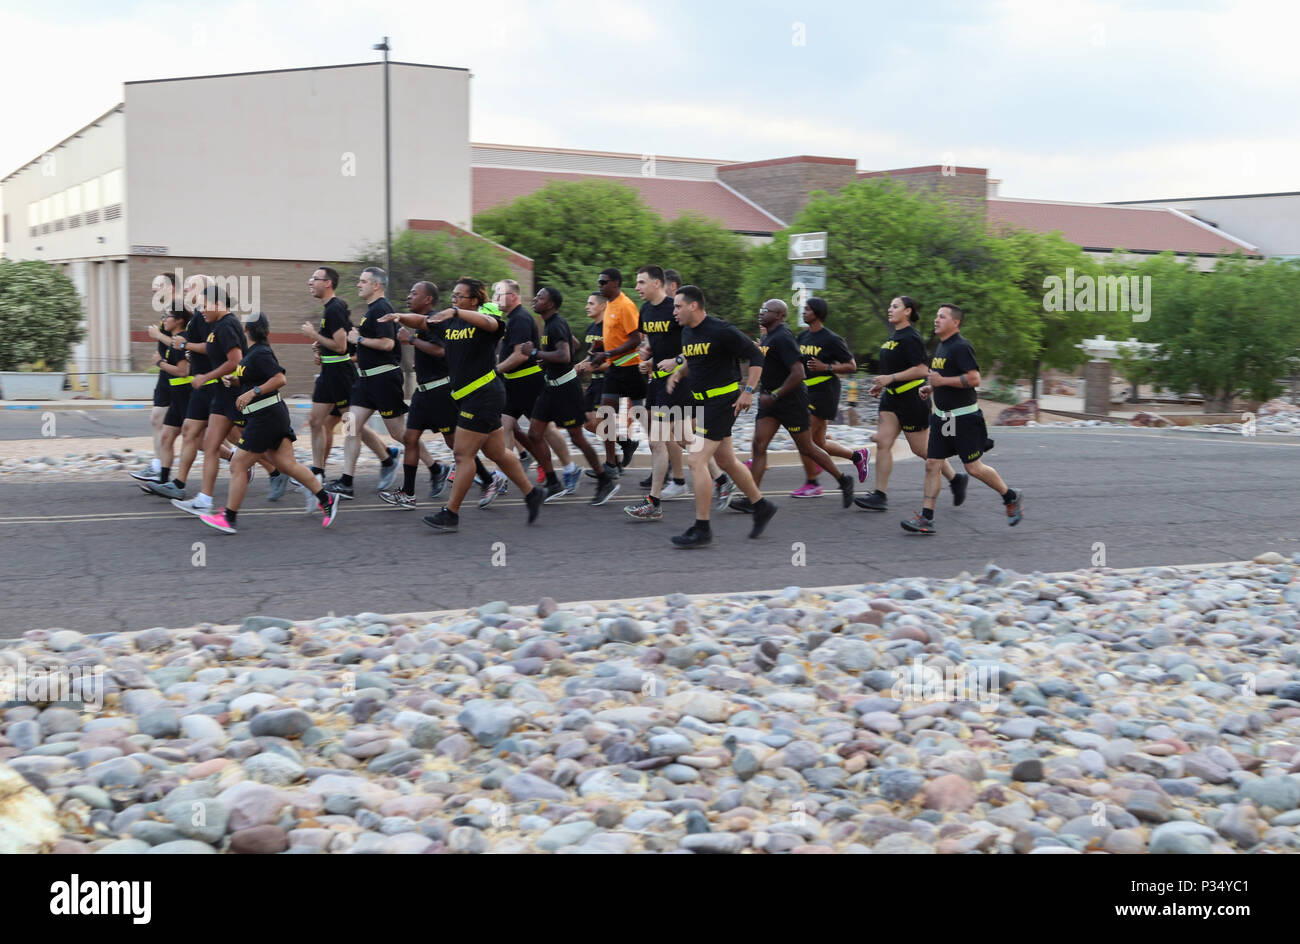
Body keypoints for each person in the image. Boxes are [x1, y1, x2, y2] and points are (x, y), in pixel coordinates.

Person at [199, 313, 340, 533]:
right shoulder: (252, 355)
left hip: (265, 417)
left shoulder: (261, 353)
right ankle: (326, 498)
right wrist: (236, 380)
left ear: (246, 330)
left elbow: (279, 379)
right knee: (287, 465)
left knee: (238, 464)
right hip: (270, 415)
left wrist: (252, 393)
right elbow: (257, 378)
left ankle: (229, 517)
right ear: (267, 332)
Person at [421, 278, 543, 532]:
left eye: (459, 296)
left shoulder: (489, 321)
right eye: (452, 296)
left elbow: (492, 324)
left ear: (474, 300)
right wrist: (399, 316)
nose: (453, 300)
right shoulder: (452, 323)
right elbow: (423, 322)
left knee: (463, 454)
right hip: (474, 396)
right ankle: (532, 493)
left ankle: (451, 514)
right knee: (497, 452)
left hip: (483, 396)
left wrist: (455, 311)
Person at [660, 285, 777, 547]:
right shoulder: (688, 332)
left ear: (693, 306)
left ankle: (702, 528)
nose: (674, 312)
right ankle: (761, 506)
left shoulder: (721, 330)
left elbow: (756, 355)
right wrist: (679, 372)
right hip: (703, 403)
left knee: (696, 459)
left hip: (723, 401)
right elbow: (696, 359)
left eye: (678, 306)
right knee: (726, 460)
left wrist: (748, 391)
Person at [902, 304, 1023, 533]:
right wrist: (930, 388)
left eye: (942, 316)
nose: (936, 320)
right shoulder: (942, 346)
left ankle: (1010, 496)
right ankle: (926, 518)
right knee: (932, 464)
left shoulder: (961, 346)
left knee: (973, 468)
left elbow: (974, 379)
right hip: (942, 418)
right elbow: (945, 378)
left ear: (955, 322)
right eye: (936, 315)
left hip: (964, 419)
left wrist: (941, 383)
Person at [742, 299, 854, 509]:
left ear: (779, 315)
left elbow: (798, 373)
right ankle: (752, 499)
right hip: (770, 401)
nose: (760, 313)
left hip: (790, 402)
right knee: (759, 446)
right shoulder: (769, 337)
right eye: (760, 309)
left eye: (765, 310)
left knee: (808, 447)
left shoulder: (783, 337)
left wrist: (774, 395)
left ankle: (843, 480)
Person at [856, 295, 965, 511]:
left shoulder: (911, 337)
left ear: (907, 311)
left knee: (922, 450)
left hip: (912, 399)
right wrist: (883, 384)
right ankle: (880, 495)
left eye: (895, 306)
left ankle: (955, 478)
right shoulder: (893, 337)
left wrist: (891, 379)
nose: (890, 309)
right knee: (883, 443)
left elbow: (922, 370)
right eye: (889, 305)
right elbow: (894, 367)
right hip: (891, 398)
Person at [299, 266, 396, 498]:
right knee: (315, 421)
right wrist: (320, 348)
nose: (310, 282)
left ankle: (387, 458)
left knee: (352, 424)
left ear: (328, 283)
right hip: (328, 371)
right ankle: (319, 470)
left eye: (315, 278)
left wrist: (314, 336)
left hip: (340, 373)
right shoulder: (328, 309)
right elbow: (334, 344)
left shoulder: (335, 308)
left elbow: (341, 347)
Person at [323, 267, 413, 499]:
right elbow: (366, 345)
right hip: (366, 381)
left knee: (399, 434)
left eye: (363, 281)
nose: (358, 285)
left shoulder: (382, 308)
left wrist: (359, 338)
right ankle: (346, 481)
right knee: (351, 426)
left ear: (376, 285)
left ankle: (435, 468)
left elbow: (387, 344)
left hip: (384, 378)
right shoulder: (371, 310)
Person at [529, 285, 619, 505]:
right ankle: (552, 482)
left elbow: (564, 353)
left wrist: (534, 353)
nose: (535, 299)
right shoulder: (551, 324)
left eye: (539, 297)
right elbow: (574, 344)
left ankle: (603, 478)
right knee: (534, 434)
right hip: (550, 387)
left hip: (566, 389)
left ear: (549, 304)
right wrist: (546, 358)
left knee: (577, 437)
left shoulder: (556, 324)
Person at [375, 281, 456, 508]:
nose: (409, 296)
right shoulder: (422, 324)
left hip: (441, 391)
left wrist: (410, 340)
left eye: (414, 293)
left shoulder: (436, 321)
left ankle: (488, 479)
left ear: (428, 299)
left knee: (455, 444)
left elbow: (441, 351)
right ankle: (408, 493)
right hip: (423, 393)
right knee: (410, 439)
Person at [623, 265, 692, 521]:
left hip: (676, 381)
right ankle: (720, 476)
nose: (637, 287)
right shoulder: (646, 310)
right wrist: (647, 355)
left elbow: (695, 343)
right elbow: (652, 340)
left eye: (641, 282)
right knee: (679, 438)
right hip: (656, 381)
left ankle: (654, 502)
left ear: (657, 283)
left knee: (659, 441)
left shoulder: (675, 308)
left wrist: (676, 360)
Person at [493, 279, 563, 500]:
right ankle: (502, 477)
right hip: (513, 385)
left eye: (500, 294)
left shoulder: (521, 319)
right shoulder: (512, 320)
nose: (496, 299)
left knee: (546, 432)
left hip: (529, 384)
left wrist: (494, 371)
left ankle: (567, 471)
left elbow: (520, 355)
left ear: (513, 296)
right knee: (503, 426)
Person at [794, 297, 870, 497]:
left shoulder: (831, 339)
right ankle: (857, 456)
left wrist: (826, 367)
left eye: (807, 309)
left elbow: (851, 366)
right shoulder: (802, 338)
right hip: (807, 391)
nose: (803, 312)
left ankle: (813, 483)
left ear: (817, 313)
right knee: (819, 443)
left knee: (805, 440)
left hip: (825, 391)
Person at [131, 274, 187, 484]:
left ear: (168, 286)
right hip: (166, 372)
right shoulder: (169, 310)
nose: (153, 292)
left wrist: (158, 336)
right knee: (157, 419)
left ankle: (240, 458)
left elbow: (183, 342)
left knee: (203, 435)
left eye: (156, 288)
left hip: (179, 375)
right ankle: (158, 467)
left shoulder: (182, 309)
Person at [588, 268, 643, 471]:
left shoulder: (626, 306)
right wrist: (600, 346)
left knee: (642, 416)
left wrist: (608, 354)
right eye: (599, 282)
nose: (600, 285)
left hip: (630, 367)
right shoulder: (610, 304)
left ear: (615, 283)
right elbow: (615, 336)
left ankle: (669, 459)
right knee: (605, 416)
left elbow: (636, 339)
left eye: (603, 282)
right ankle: (611, 463)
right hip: (614, 369)